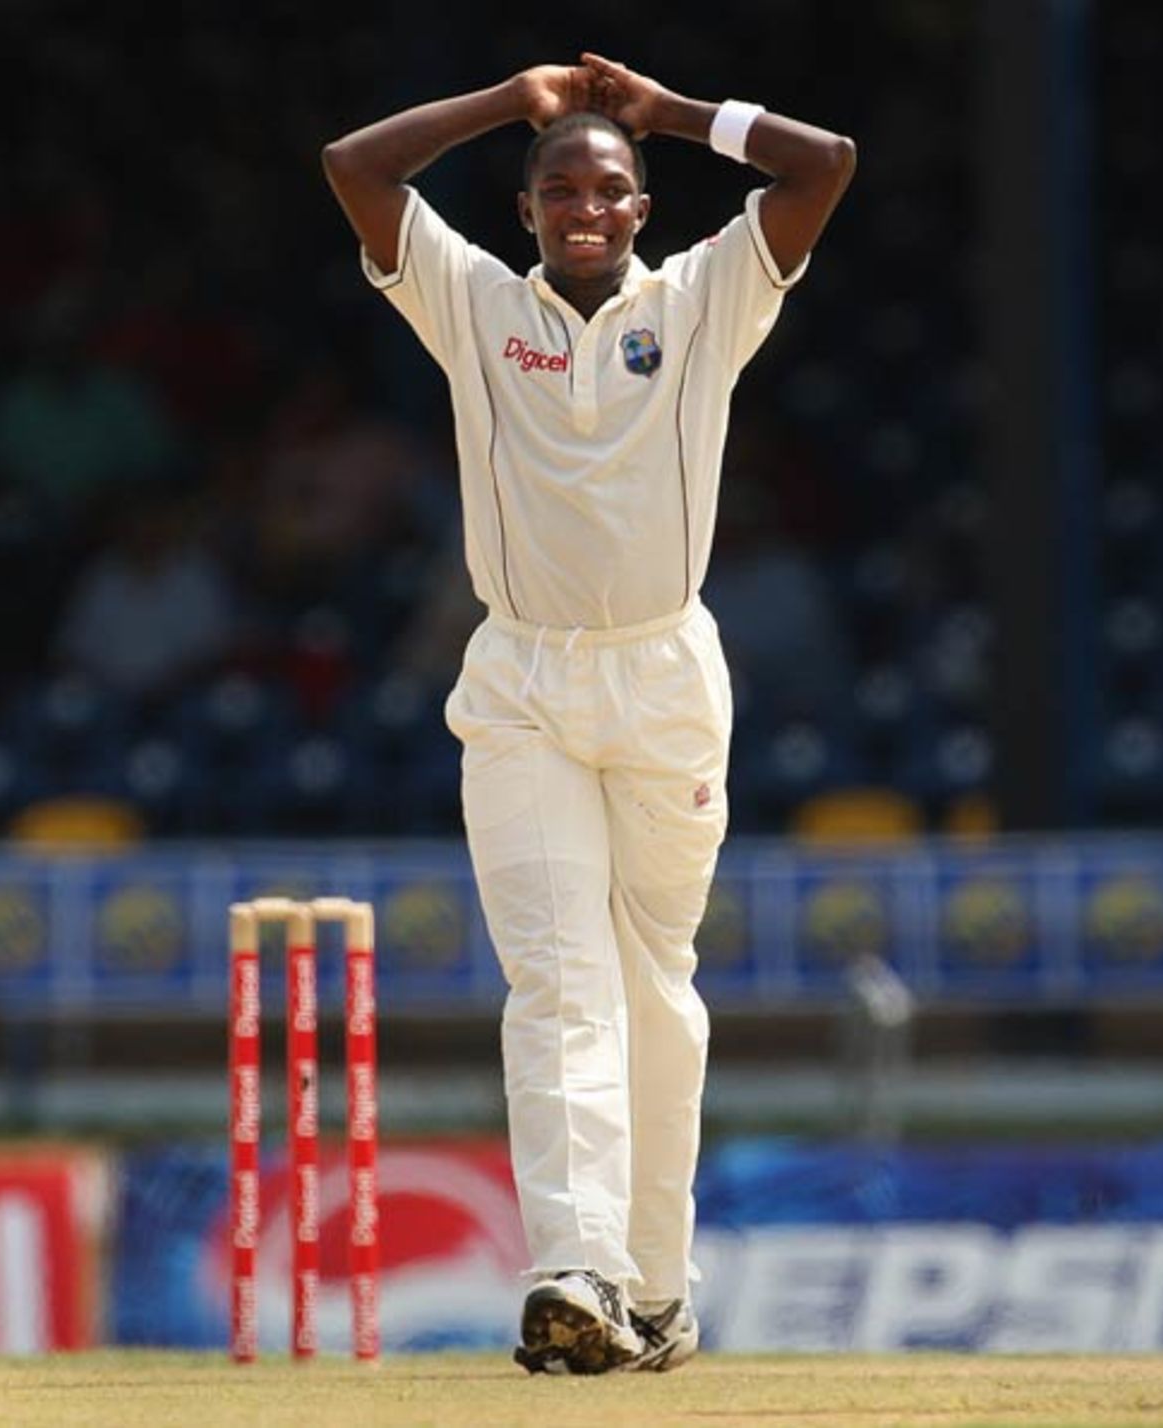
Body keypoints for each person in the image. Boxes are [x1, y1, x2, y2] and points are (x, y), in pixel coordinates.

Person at [322, 53, 855, 1374]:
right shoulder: (471, 300)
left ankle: (658, 1295)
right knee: (558, 980)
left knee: (651, 985)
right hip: (521, 685)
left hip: (664, 678)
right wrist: (514, 103)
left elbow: (824, 165)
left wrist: (670, 116)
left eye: (609, 190)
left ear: (641, 210)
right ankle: (576, 1269)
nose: (584, 207)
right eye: (559, 189)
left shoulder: (704, 297)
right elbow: (355, 167)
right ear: (525, 210)